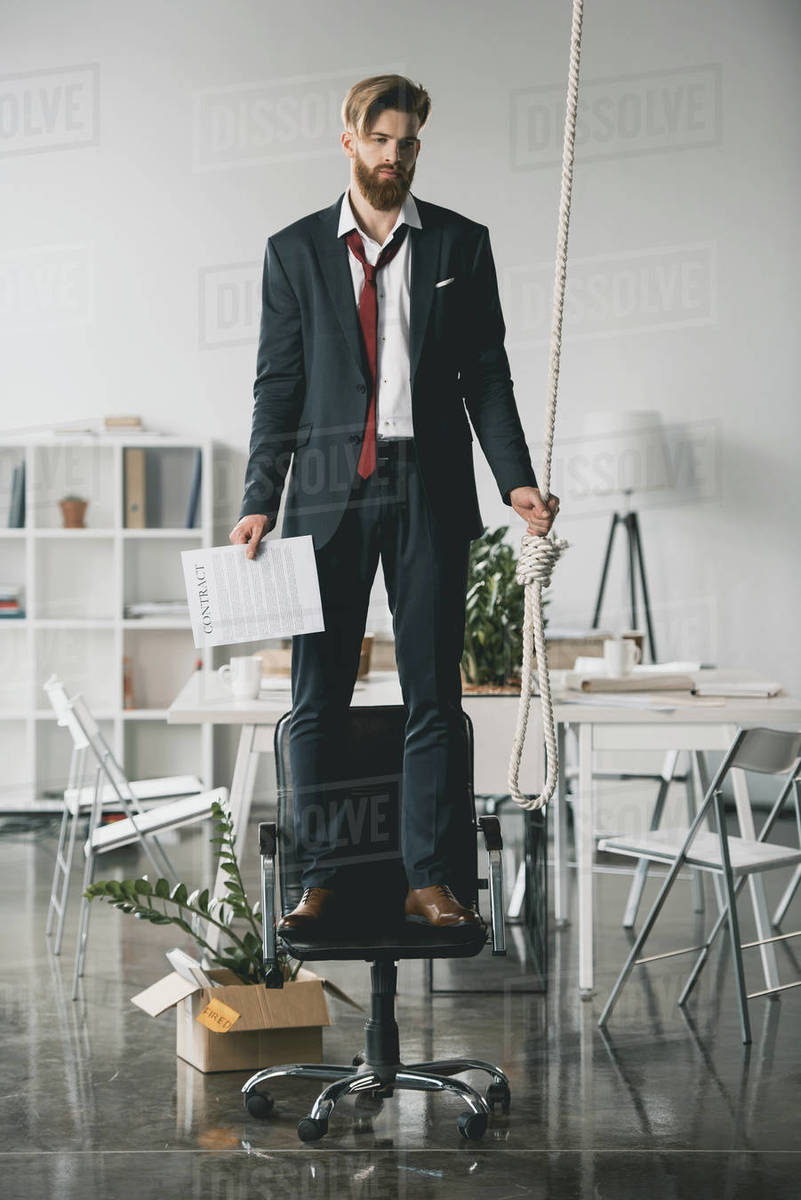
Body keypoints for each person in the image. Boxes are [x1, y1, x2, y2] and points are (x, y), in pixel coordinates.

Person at [230, 74, 559, 932]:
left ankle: (430, 879)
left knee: (432, 698)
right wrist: (259, 499)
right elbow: (277, 387)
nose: (394, 156)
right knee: (316, 698)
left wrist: (514, 477)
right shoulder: (293, 251)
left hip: (429, 488)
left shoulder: (460, 244)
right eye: (380, 141)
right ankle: (318, 880)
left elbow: (487, 374)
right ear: (350, 142)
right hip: (326, 495)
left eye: (407, 143)